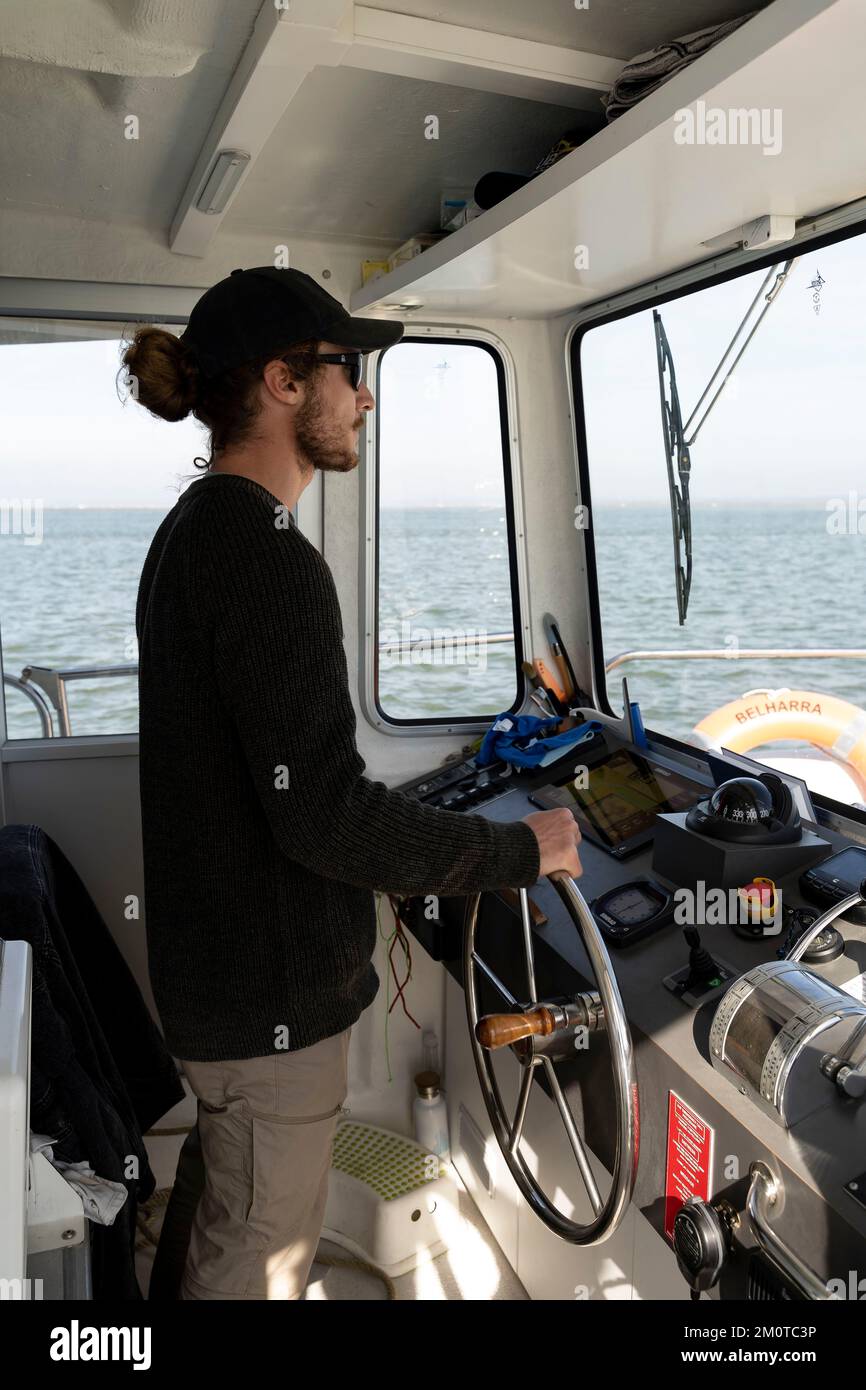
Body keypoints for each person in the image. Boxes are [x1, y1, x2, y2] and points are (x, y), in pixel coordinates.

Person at [123, 266, 582, 1300]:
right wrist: (520, 849)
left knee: (217, 1205)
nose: (364, 393)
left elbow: (289, 785)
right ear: (284, 381)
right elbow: (321, 814)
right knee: (253, 1256)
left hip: (225, 992)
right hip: (268, 1006)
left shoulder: (191, 531)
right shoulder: (265, 554)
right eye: (348, 368)